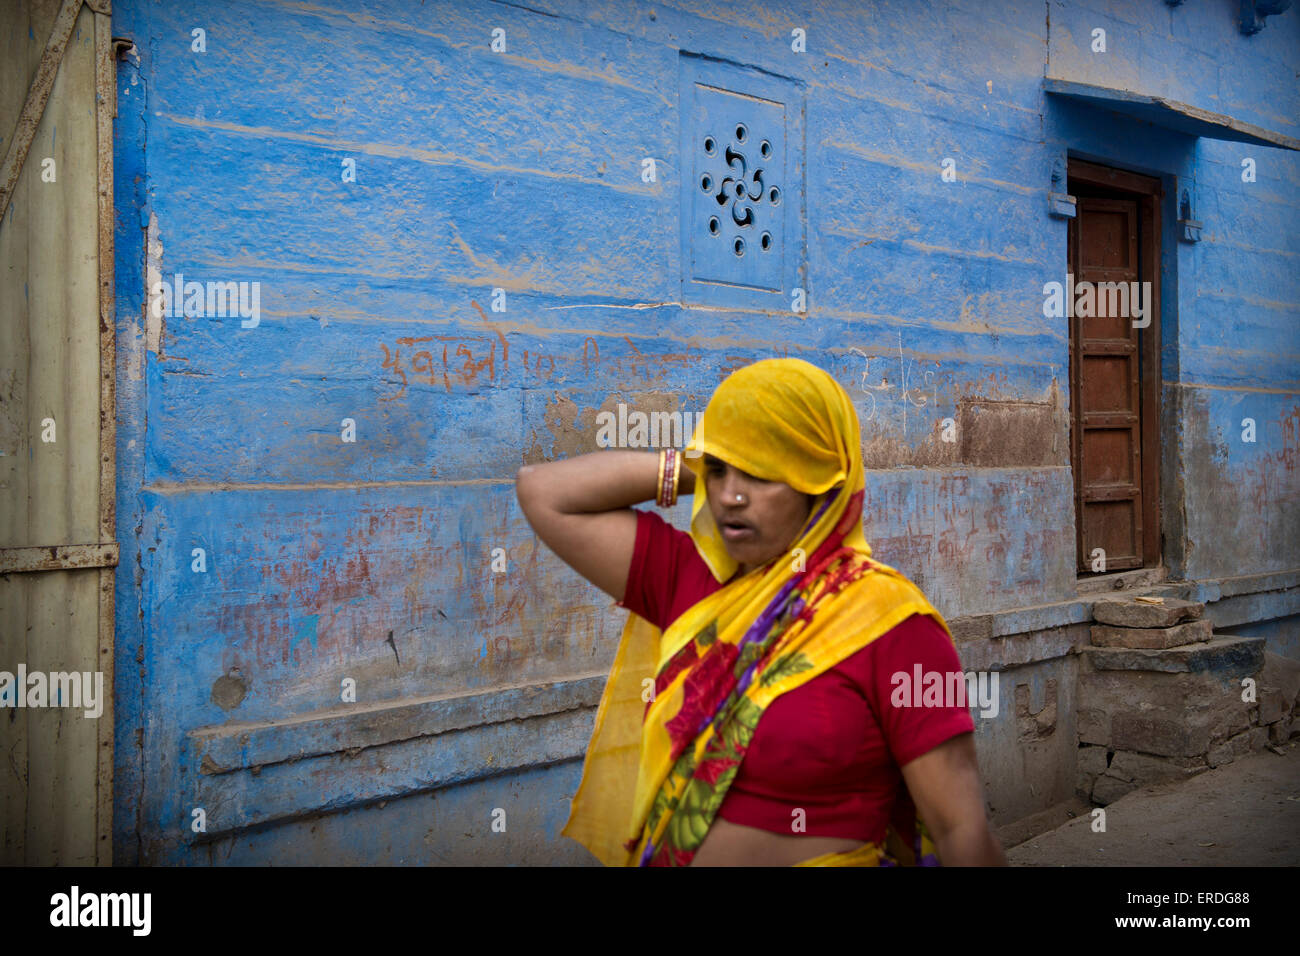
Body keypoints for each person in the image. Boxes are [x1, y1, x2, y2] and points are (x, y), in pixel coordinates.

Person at [515, 357, 1006, 867]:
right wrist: (693, 465)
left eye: (760, 471)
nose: (730, 496)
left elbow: (959, 828)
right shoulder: (689, 578)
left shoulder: (895, 625)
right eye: (720, 470)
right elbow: (542, 492)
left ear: (821, 480)